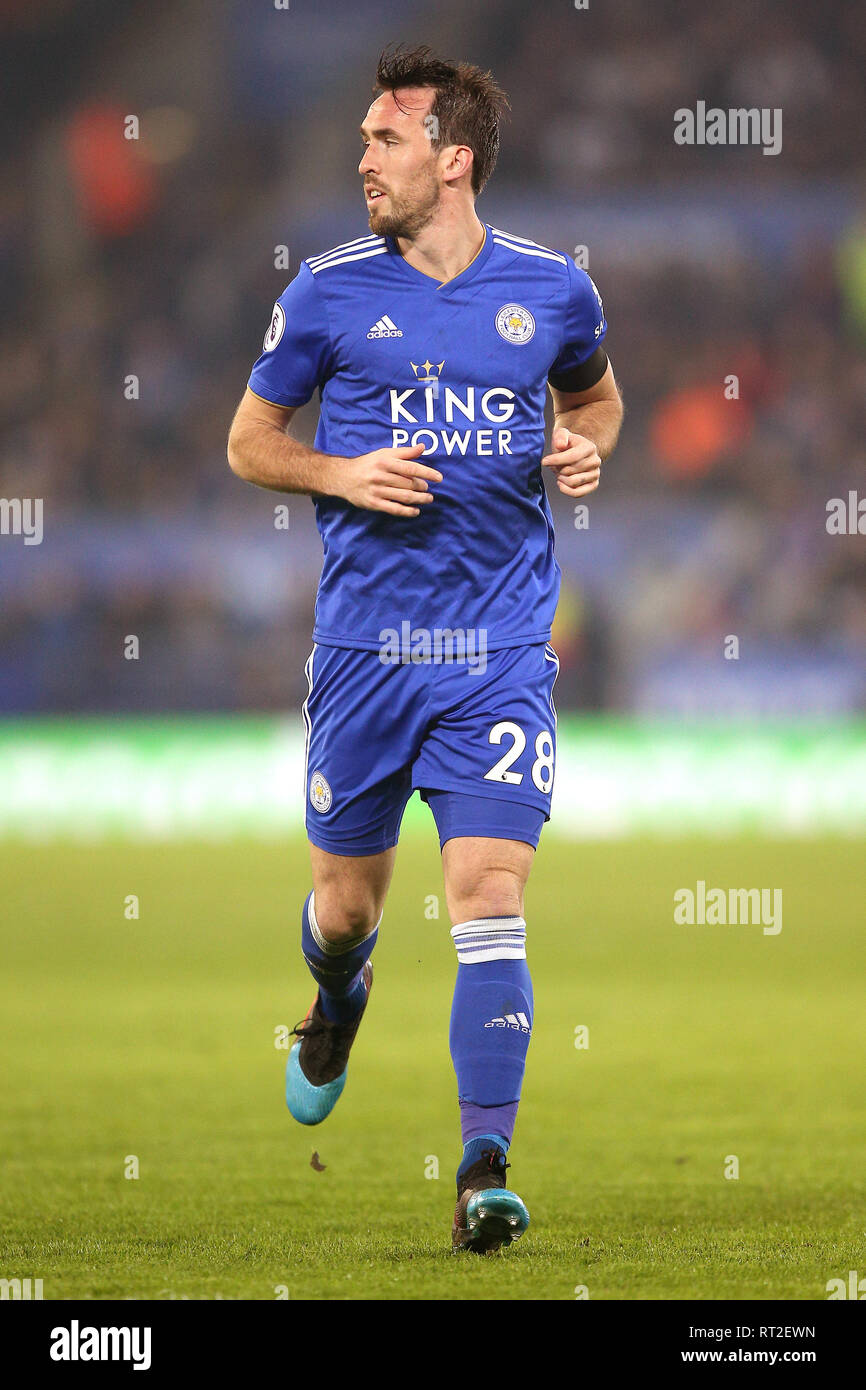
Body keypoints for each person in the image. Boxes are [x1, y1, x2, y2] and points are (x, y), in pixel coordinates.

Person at [227, 42, 623, 1253]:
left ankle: (481, 1168)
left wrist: (583, 446)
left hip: (499, 648)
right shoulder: (326, 291)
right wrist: (337, 468)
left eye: (383, 141)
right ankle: (336, 998)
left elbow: (597, 400)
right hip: (362, 654)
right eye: (360, 140)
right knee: (345, 910)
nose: (362, 159)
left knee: (487, 894)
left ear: (452, 161)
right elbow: (249, 442)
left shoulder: (553, 292)